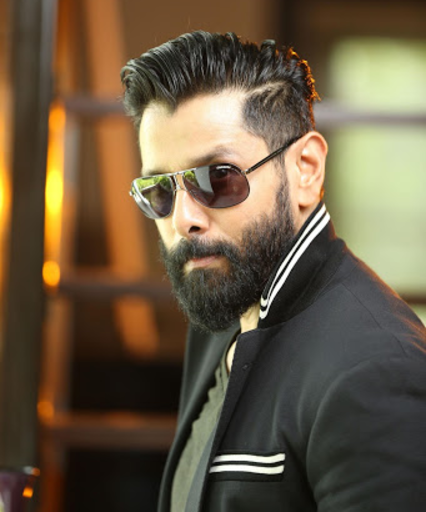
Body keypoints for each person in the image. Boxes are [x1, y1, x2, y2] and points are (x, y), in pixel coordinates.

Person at [121, 31, 426, 512]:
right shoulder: (224, 305)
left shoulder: (376, 370)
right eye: (159, 190)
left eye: (218, 178)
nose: (183, 219)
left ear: (306, 169)